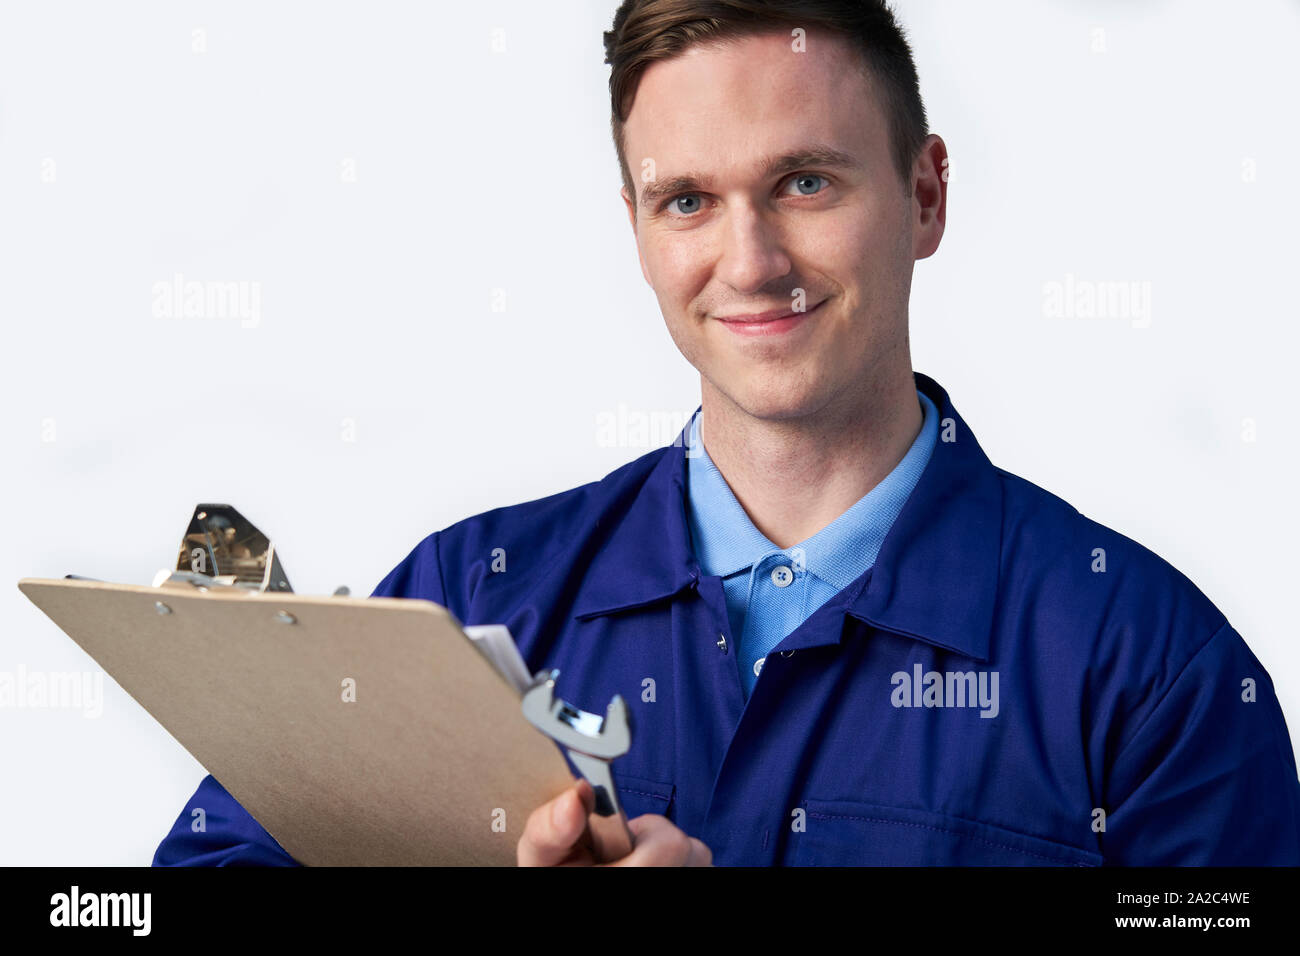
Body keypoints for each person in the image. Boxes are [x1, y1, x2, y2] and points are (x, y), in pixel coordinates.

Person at [153, 0, 1300, 867]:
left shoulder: (1152, 670)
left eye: (803, 182)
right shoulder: (461, 599)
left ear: (927, 193)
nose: (747, 264)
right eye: (687, 200)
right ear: (639, 227)